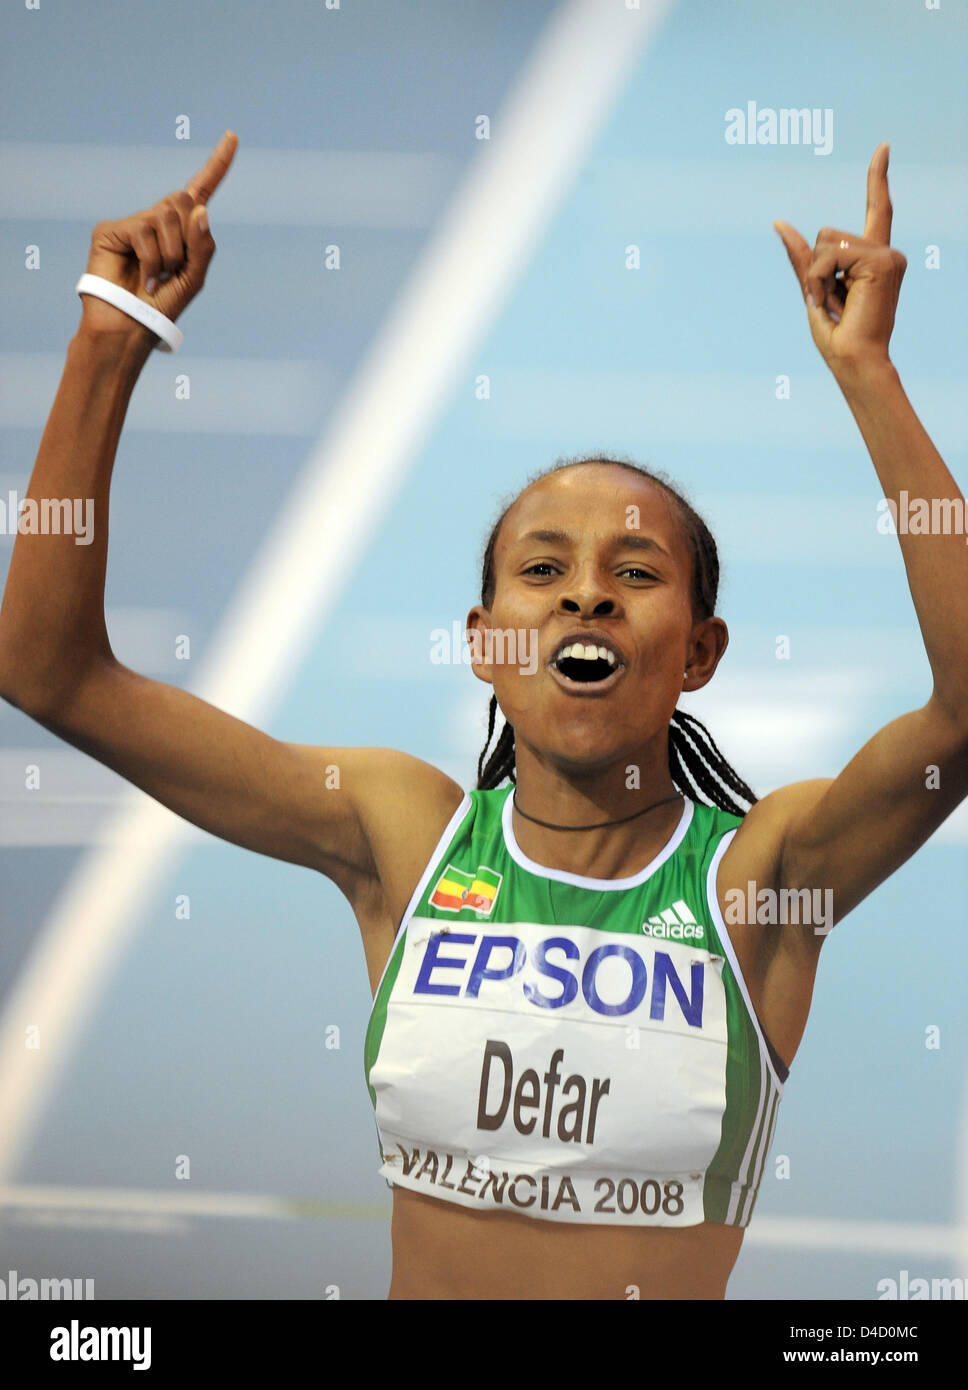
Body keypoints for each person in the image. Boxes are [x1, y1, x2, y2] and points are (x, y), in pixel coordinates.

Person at [0, 134, 964, 1301]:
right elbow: (49, 671)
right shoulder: (400, 834)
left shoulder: (762, 879)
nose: (585, 592)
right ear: (484, 643)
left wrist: (867, 373)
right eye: (543, 569)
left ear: (700, 654)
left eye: (636, 571)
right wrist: (109, 338)